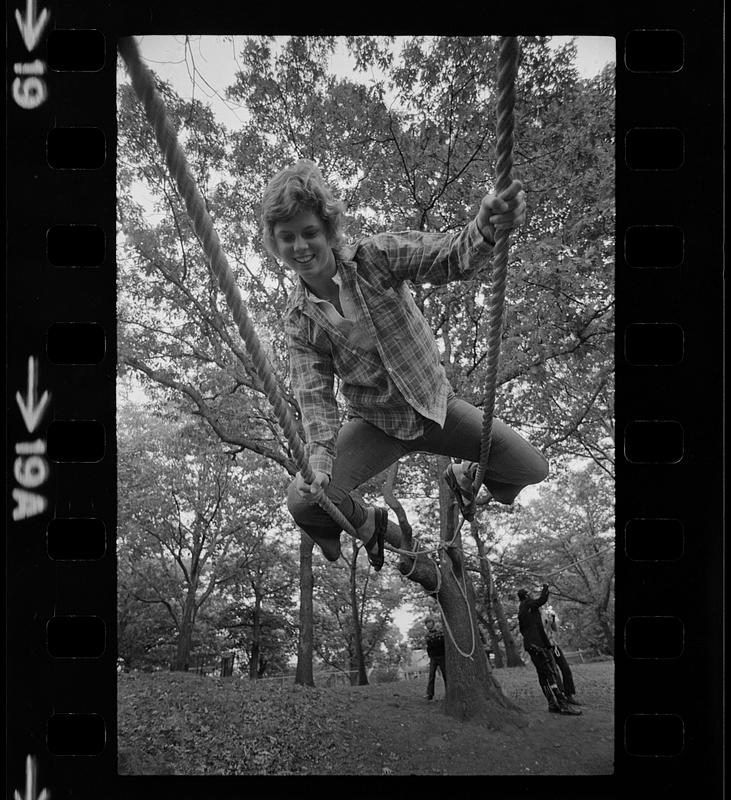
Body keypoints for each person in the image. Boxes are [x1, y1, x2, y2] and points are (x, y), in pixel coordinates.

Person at [261, 160, 549, 568]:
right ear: (275, 244)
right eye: (287, 238)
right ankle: (368, 523)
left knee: (530, 467)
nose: (301, 247)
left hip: (437, 409)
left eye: (309, 232)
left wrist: (484, 229)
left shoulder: (375, 257)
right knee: (304, 502)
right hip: (378, 424)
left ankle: (462, 476)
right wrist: (321, 465)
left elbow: (447, 257)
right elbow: (314, 399)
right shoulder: (299, 321)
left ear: (327, 230)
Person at [517, 585, 581, 715]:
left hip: (534, 645)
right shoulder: (529, 604)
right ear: (527, 596)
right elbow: (542, 599)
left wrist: (545, 643)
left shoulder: (524, 611)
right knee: (550, 673)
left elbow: (527, 630)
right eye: (530, 594)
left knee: (543, 674)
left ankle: (552, 704)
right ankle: (562, 704)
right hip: (537, 646)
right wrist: (546, 586)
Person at [542, 608, 581, 705]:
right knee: (555, 672)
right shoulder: (535, 616)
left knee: (566, 668)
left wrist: (553, 620)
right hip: (545, 648)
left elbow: (554, 629)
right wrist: (546, 624)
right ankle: (561, 695)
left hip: (553, 645)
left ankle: (569, 695)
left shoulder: (546, 613)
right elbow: (542, 631)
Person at [423, 617, 446, 701]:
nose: (428, 624)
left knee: (445, 674)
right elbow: (429, 645)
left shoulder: (440, 632)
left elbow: (441, 643)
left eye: (429, 622)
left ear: (433, 623)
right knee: (431, 675)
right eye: (427, 623)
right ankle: (430, 694)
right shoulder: (427, 635)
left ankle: (449, 691)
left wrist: (435, 642)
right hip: (433, 657)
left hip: (442, 656)